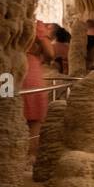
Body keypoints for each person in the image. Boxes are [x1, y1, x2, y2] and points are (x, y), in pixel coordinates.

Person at [23, 20, 55, 151]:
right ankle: (28, 161)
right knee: (34, 121)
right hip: (28, 72)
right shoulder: (33, 23)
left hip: (6, 74)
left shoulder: (3, 18)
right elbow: (50, 53)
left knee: (8, 109)